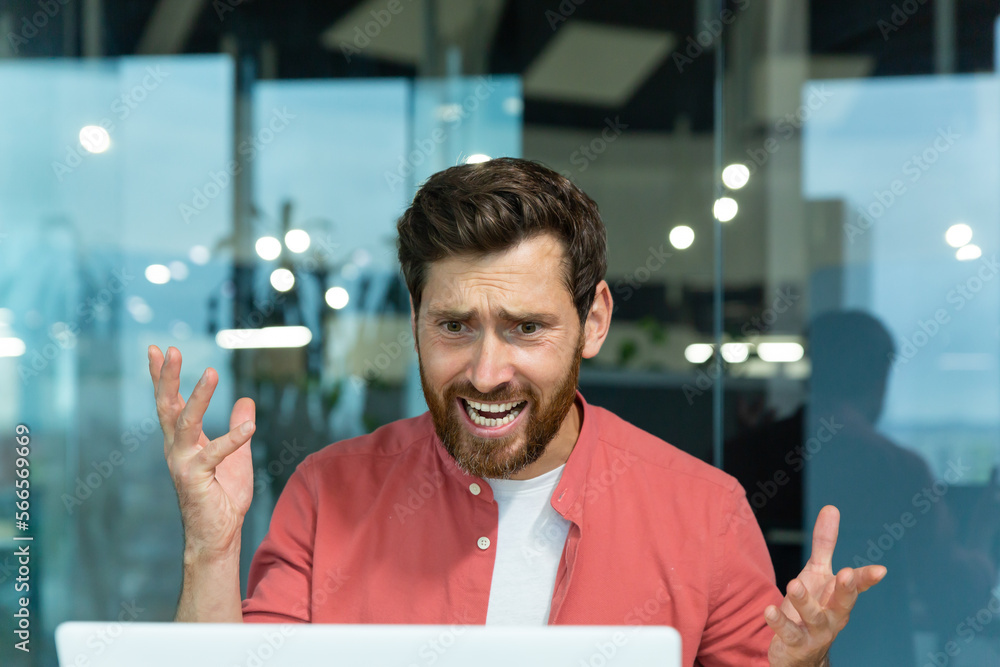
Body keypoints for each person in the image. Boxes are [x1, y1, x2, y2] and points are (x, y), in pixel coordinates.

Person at [147, 158, 885, 666]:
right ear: (415, 320)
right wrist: (209, 551)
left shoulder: (703, 511)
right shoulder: (325, 491)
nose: (486, 371)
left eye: (526, 328)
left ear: (593, 321)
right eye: (454, 325)